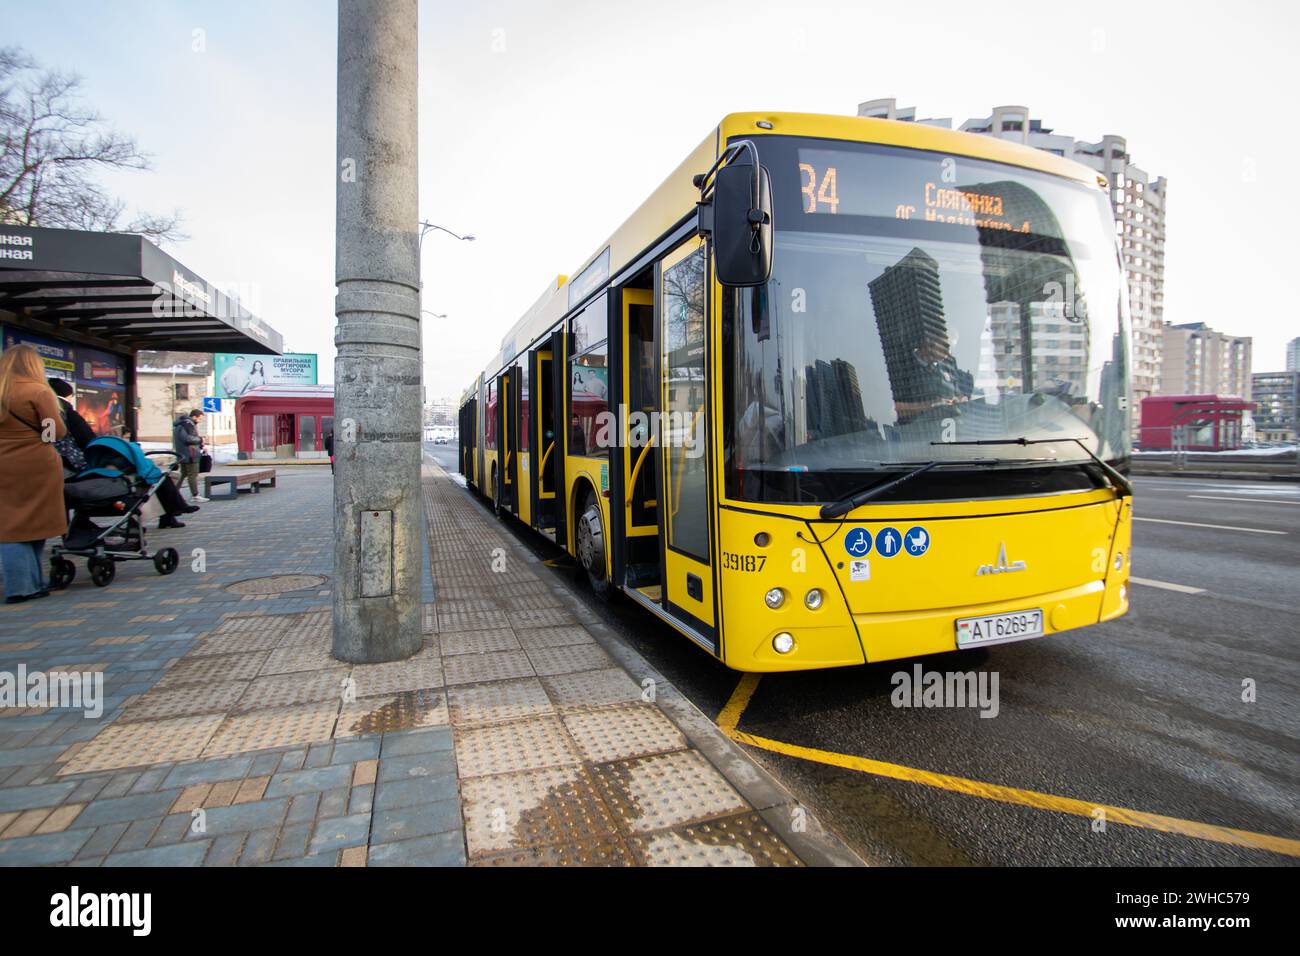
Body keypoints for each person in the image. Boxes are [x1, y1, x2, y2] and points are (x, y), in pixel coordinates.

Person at [0, 345, 68, 603]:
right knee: (34, 524)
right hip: (36, 465)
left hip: (3, 464)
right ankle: (24, 586)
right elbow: (54, 432)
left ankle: (28, 584)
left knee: (8, 526)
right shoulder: (38, 391)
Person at [48, 378, 95, 451]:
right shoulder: (68, 412)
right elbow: (86, 436)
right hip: (67, 458)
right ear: (68, 395)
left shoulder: (43, 409)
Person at [173, 408, 208, 503]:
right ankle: (195, 495)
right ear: (194, 416)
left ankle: (173, 493)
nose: (200, 421)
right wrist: (200, 440)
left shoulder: (181, 424)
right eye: (199, 418)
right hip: (190, 454)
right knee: (192, 474)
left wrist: (200, 444)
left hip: (183, 454)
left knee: (183, 474)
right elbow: (188, 439)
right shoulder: (188, 424)